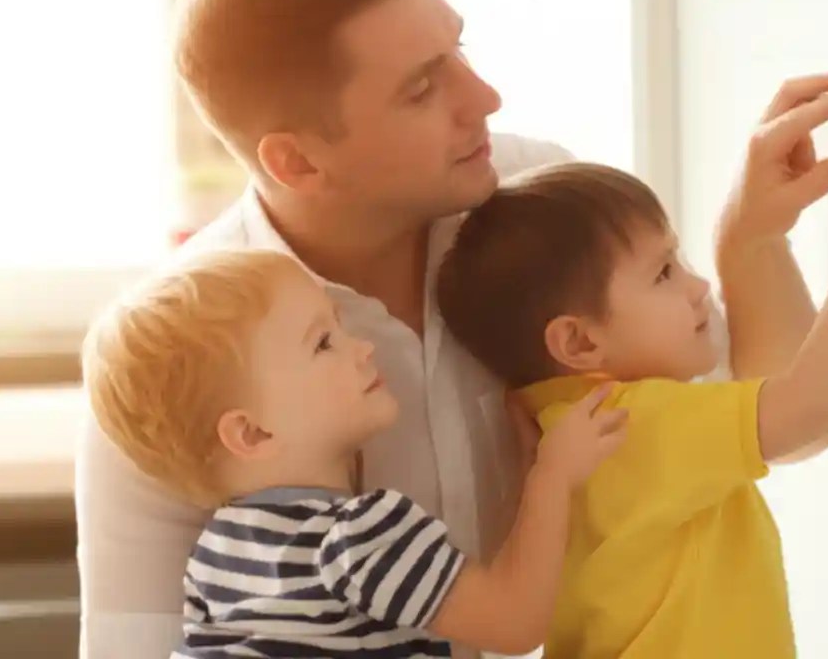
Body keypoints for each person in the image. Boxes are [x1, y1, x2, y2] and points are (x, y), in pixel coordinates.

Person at [74, 0, 828, 657]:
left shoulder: (532, 201)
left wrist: (753, 242)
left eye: (458, 50)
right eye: (422, 88)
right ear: (297, 162)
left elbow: (772, 422)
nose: (484, 96)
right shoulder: (177, 364)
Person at [433, 123, 828, 658]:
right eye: (663, 274)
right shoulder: (625, 424)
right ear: (579, 341)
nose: (697, 287)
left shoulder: (558, 425)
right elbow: (818, 401)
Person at [81, 248, 628, 657]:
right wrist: (552, 476)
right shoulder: (363, 534)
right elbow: (514, 625)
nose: (363, 347)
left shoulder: (217, 557)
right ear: (251, 433)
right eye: (323, 342)